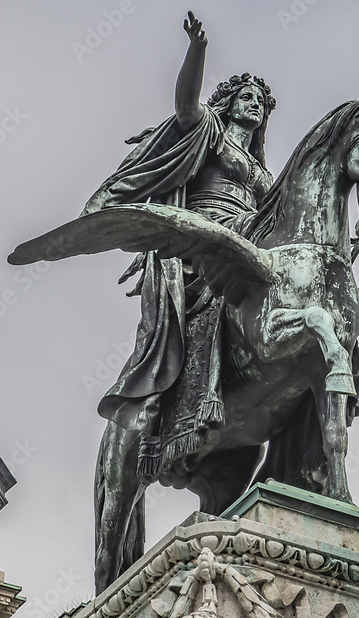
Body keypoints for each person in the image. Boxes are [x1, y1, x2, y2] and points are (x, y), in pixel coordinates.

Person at [81, 12, 276, 479]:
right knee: (211, 297)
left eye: (262, 104)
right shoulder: (208, 133)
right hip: (200, 242)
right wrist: (198, 50)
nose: (254, 106)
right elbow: (186, 103)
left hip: (248, 243)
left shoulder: (266, 174)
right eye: (246, 98)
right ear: (228, 104)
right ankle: (165, 398)